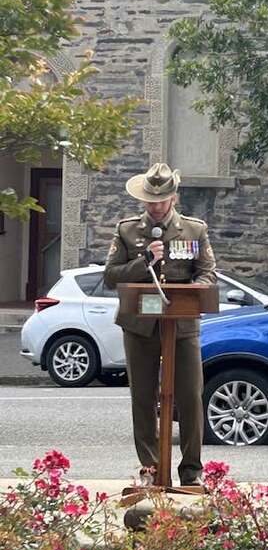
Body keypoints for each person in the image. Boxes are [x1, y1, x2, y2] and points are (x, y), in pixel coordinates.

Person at [104, 163, 216, 487]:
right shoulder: (127, 230)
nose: (155, 206)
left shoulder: (194, 230)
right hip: (139, 326)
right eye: (150, 200)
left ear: (174, 198)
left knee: (191, 397)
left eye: (162, 200)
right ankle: (151, 470)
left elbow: (207, 272)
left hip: (181, 325)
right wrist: (145, 262)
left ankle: (192, 471)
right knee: (142, 397)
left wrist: (195, 290)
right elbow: (111, 275)